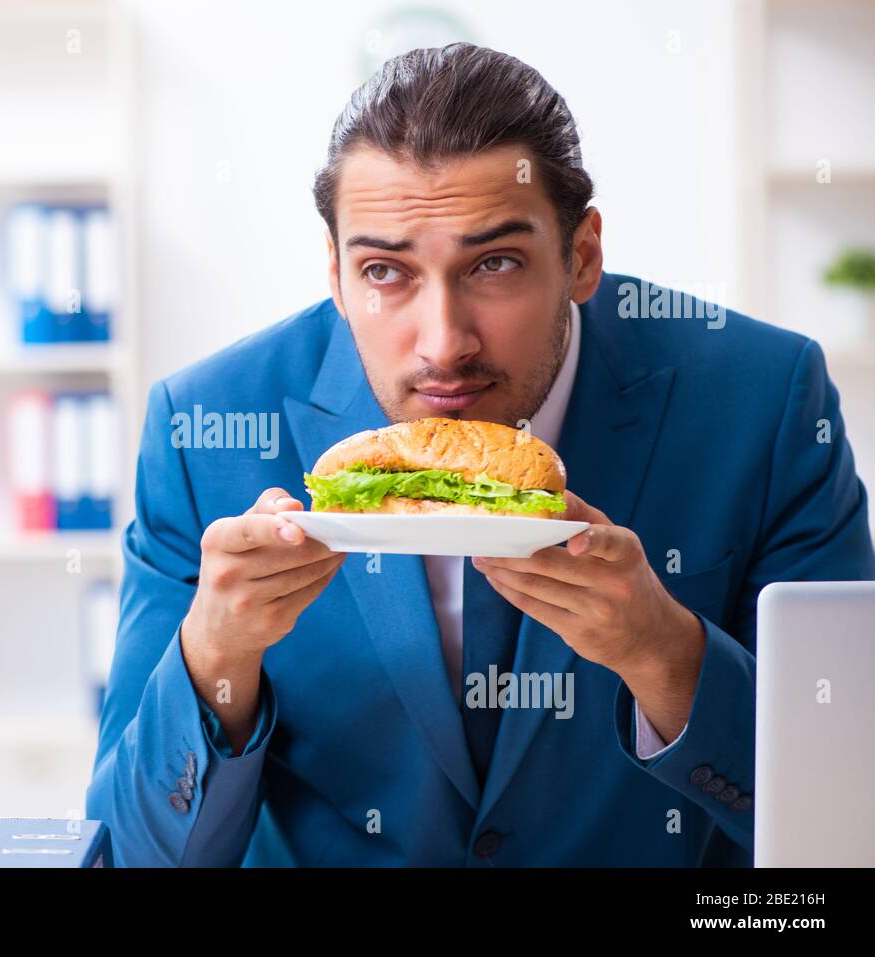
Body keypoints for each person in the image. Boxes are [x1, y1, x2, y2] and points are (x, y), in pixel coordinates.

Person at [85, 43, 875, 866]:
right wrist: (215, 658)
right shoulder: (203, 427)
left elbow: (851, 817)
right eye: (385, 271)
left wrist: (665, 655)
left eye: (494, 263)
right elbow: (130, 852)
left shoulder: (766, 402)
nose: (443, 344)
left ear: (582, 255)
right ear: (335, 272)